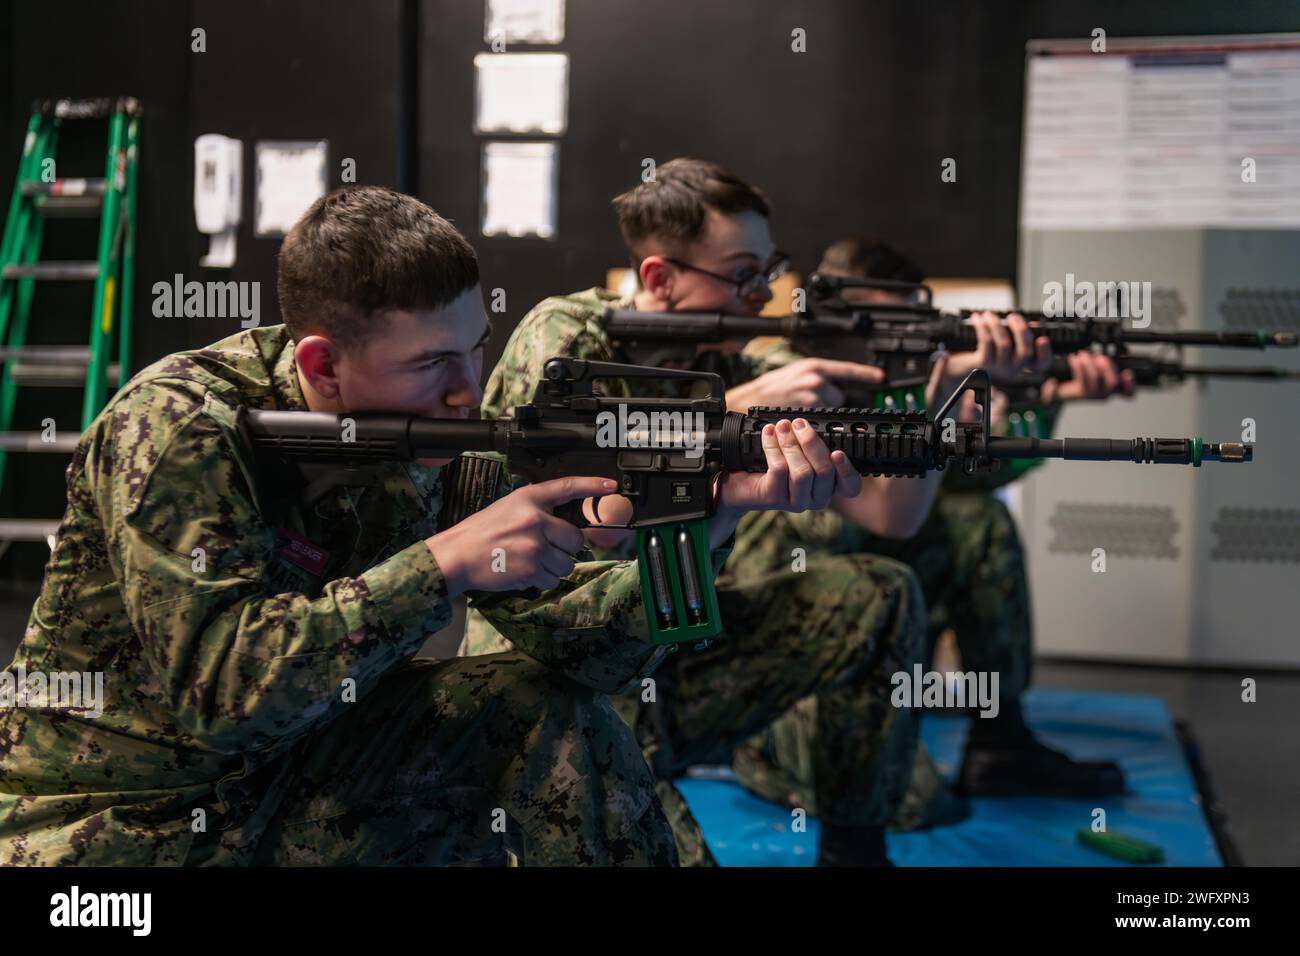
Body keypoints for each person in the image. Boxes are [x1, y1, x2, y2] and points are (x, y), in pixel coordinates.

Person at [0, 185, 852, 866]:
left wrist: (721, 511)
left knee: (549, 714)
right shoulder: (181, 428)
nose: (467, 389)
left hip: (298, 775)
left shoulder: (446, 441)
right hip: (112, 818)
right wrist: (443, 563)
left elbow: (594, 658)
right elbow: (225, 698)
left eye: (476, 348)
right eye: (433, 363)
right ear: (322, 366)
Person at [461, 159, 1047, 865]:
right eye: (743, 274)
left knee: (882, 595)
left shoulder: (743, 355)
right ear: (658, 279)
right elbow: (545, 500)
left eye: (769, 268)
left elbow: (895, 518)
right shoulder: (568, 337)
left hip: (677, 656)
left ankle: (855, 854)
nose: (764, 292)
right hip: (564, 676)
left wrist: (935, 396)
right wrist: (731, 412)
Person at [733, 237, 1138, 817]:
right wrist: (946, 388)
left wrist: (1047, 399)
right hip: (774, 649)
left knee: (978, 521)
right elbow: (889, 516)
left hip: (858, 616)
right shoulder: (791, 379)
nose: (891, 339)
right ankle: (752, 745)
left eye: (905, 323)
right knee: (911, 805)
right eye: (876, 322)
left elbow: (968, 481)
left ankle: (1002, 739)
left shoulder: (894, 381)